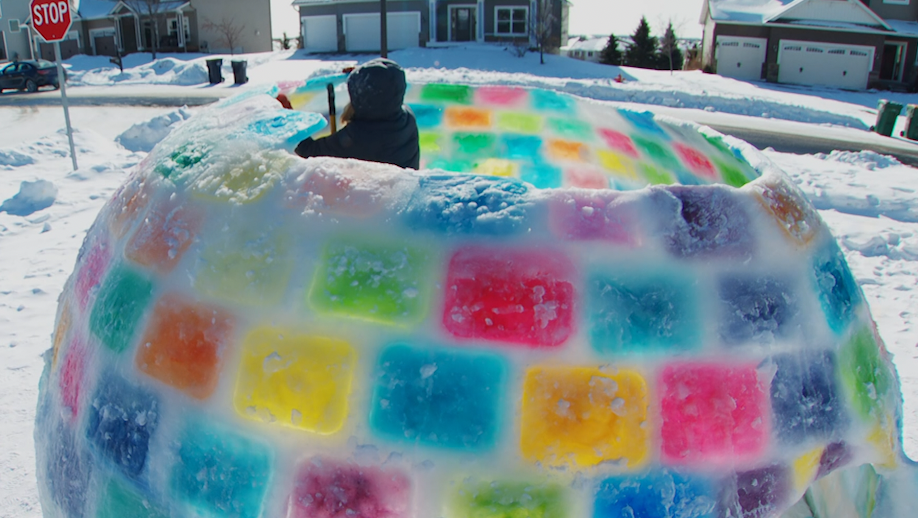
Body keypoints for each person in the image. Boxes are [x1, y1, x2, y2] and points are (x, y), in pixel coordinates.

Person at [294, 58, 420, 170]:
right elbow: (385, 93)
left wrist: (290, 116)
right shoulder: (408, 118)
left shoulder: (357, 136)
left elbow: (308, 150)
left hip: (373, 196)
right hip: (404, 193)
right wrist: (363, 77)